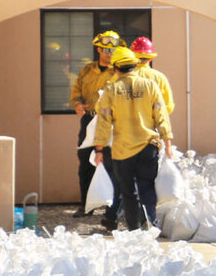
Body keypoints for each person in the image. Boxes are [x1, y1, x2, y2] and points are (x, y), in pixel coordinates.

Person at [92, 45, 172, 232]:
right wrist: (167, 142)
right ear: (135, 66)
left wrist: (99, 149)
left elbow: (103, 122)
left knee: (128, 191)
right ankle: (149, 221)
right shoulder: (150, 86)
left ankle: (134, 229)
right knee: (147, 187)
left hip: (123, 149)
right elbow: (162, 115)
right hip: (148, 145)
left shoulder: (111, 90)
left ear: (116, 68)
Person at [71, 30, 121, 218]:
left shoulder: (118, 71)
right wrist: (77, 104)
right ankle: (86, 205)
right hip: (89, 119)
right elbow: (76, 90)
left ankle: (112, 209)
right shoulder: (87, 70)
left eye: (113, 50)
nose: (109, 54)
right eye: (106, 50)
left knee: (109, 161)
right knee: (85, 161)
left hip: (109, 122)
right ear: (99, 49)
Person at [130, 37, 176, 125]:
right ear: (151, 58)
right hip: (152, 127)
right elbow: (168, 107)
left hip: (126, 129)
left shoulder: (120, 76)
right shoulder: (159, 77)